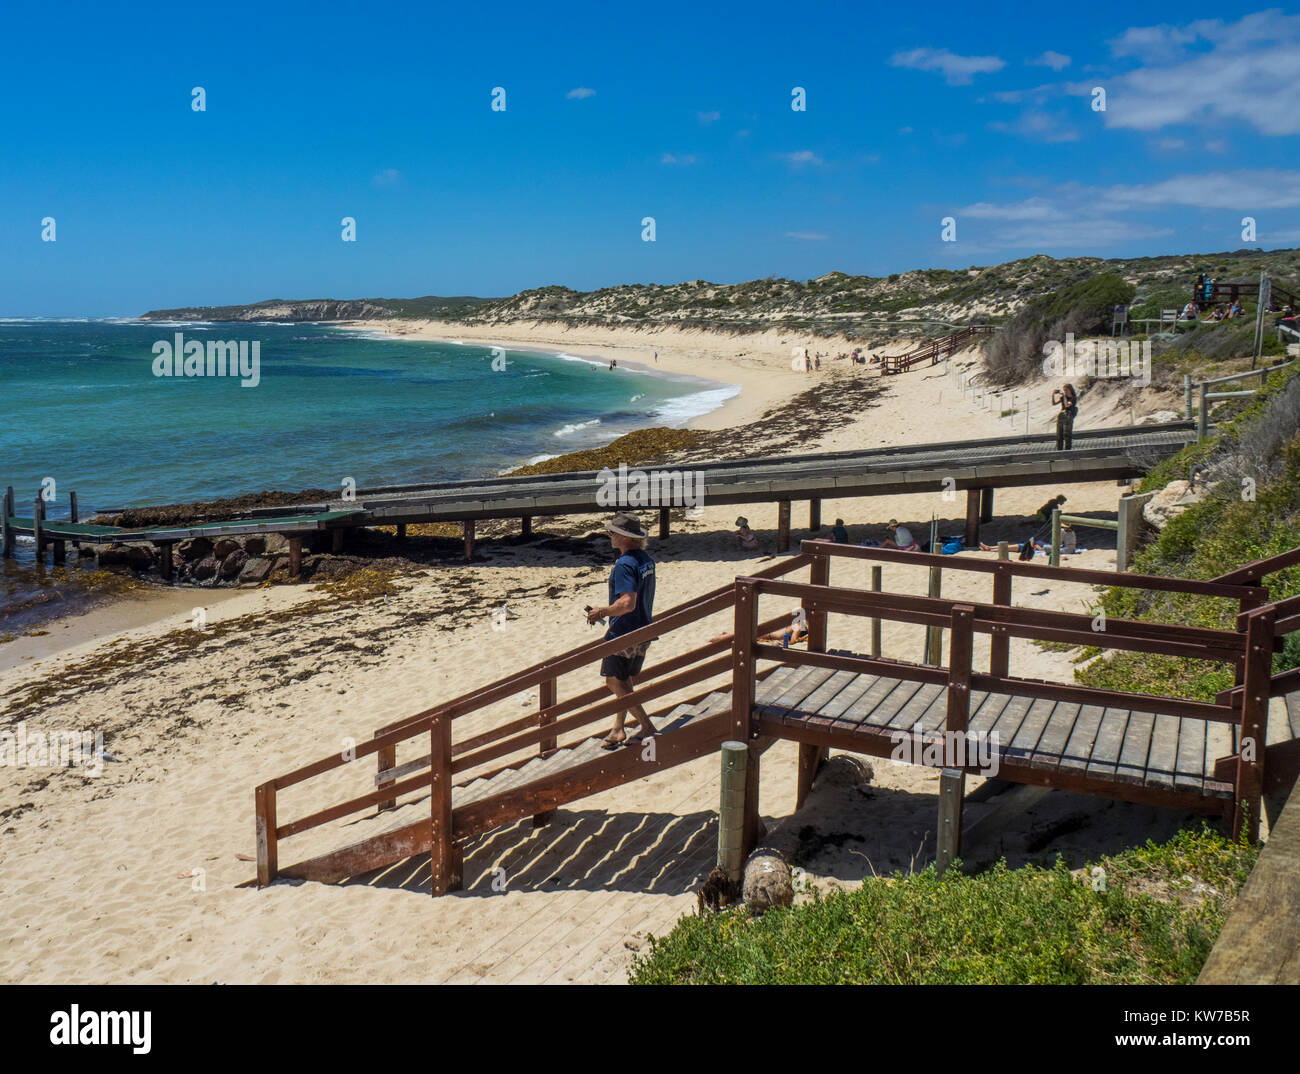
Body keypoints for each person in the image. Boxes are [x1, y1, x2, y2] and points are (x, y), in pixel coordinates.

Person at [586, 513, 657, 748]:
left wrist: (601, 612)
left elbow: (627, 603)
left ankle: (647, 727)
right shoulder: (645, 559)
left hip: (624, 632)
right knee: (624, 681)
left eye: (612, 533)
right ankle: (618, 729)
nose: (610, 536)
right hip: (643, 628)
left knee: (614, 682)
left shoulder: (624, 564)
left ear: (623, 537)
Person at [1052, 383, 1077, 449]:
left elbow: (1067, 405)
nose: (1065, 391)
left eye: (1066, 390)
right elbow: (1053, 404)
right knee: (1059, 434)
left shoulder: (1073, 398)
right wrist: (1053, 395)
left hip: (1068, 416)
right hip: (1061, 416)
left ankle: (1067, 449)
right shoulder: (1063, 397)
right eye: (1064, 390)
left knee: (1067, 434)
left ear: (1070, 390)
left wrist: (1064, 397)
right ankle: (1059, 449)